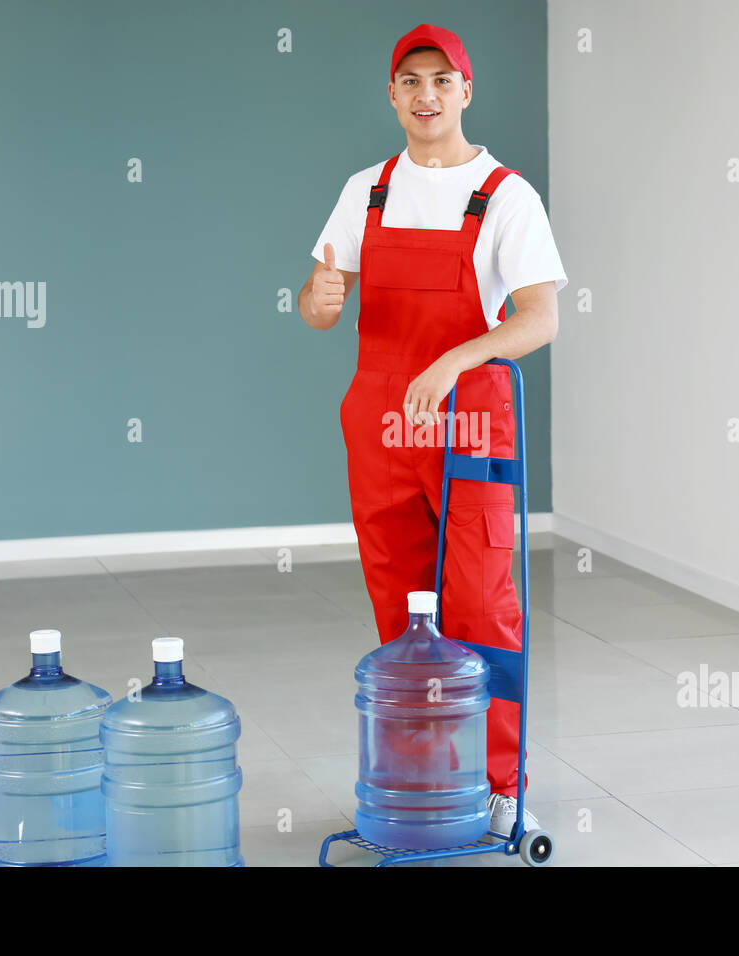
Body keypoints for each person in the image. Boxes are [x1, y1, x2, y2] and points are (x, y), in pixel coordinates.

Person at [298, 23, 567, 840]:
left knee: (480, 604)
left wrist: (456, 360)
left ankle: (499, 784)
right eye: (410, 81)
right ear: (392, 94)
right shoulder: (367, 190)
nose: (426, 96)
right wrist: (318, 298)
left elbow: (540, 318)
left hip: (471, 422)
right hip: (381, 423)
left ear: (466, 91)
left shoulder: (505, 195)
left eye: (441, 81)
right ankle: (418, 779)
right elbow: (319, 297)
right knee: (400, 609)